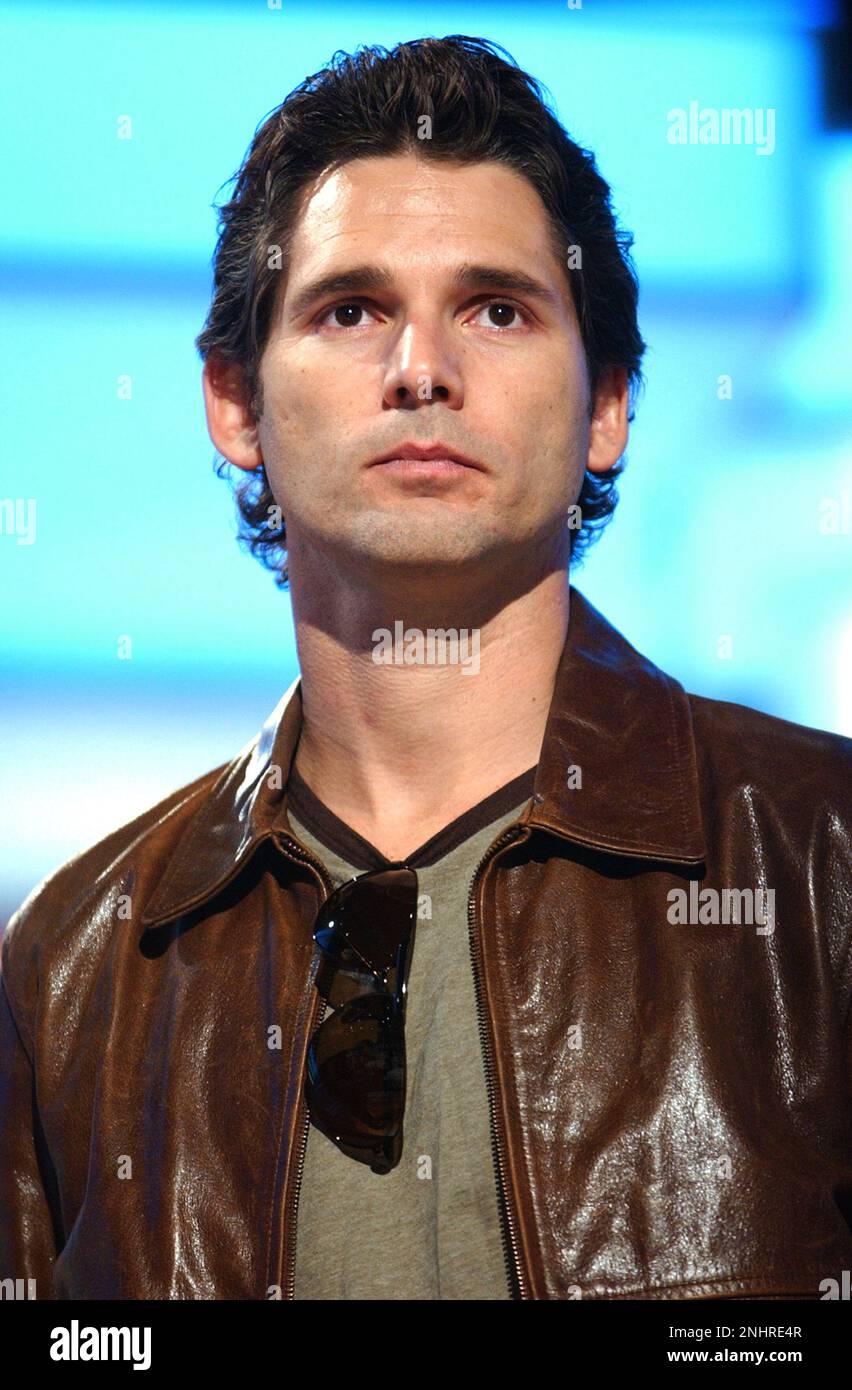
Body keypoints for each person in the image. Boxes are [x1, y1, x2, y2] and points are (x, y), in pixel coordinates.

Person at [1, 35, 850, 1302]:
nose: (421, 371)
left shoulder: (825, 863)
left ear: (608, 401)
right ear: (235, 403)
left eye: (497, 309)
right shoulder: (74, 965)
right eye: (351, 310)